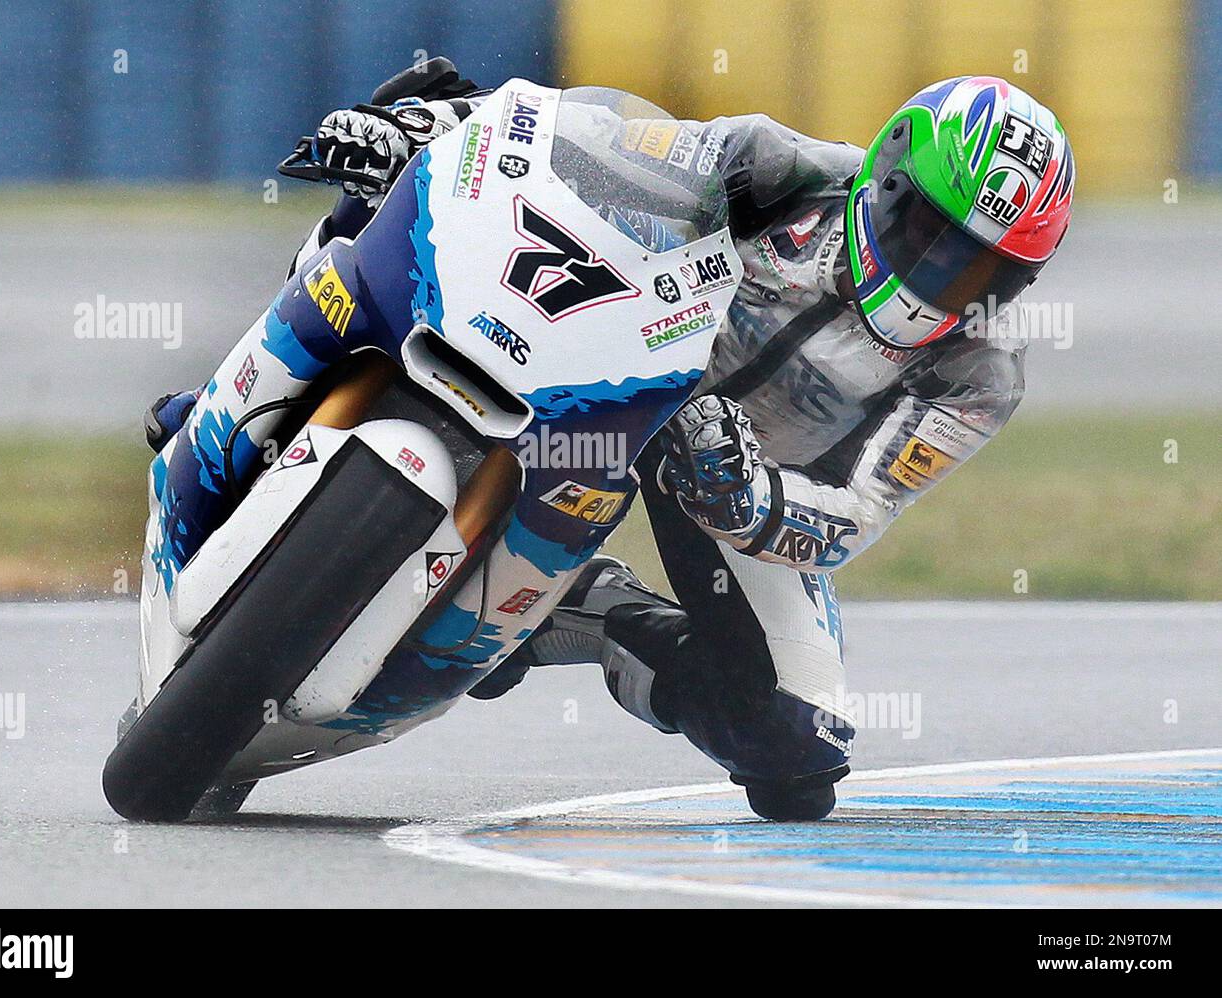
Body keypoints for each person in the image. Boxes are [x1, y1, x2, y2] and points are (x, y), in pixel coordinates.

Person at [149, 64, 1074, 820]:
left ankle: (582, 613)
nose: (938, 274)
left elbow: (858, 513)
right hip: (613, 354)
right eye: (926, 232)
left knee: (794, 745)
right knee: (400, 189)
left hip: (732, 476)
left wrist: (750, 496)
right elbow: (585, 142)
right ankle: (244, 403)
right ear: (884, 175)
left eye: (982, 267)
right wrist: (432, 123)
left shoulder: (979, 376)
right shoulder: (785, 169)